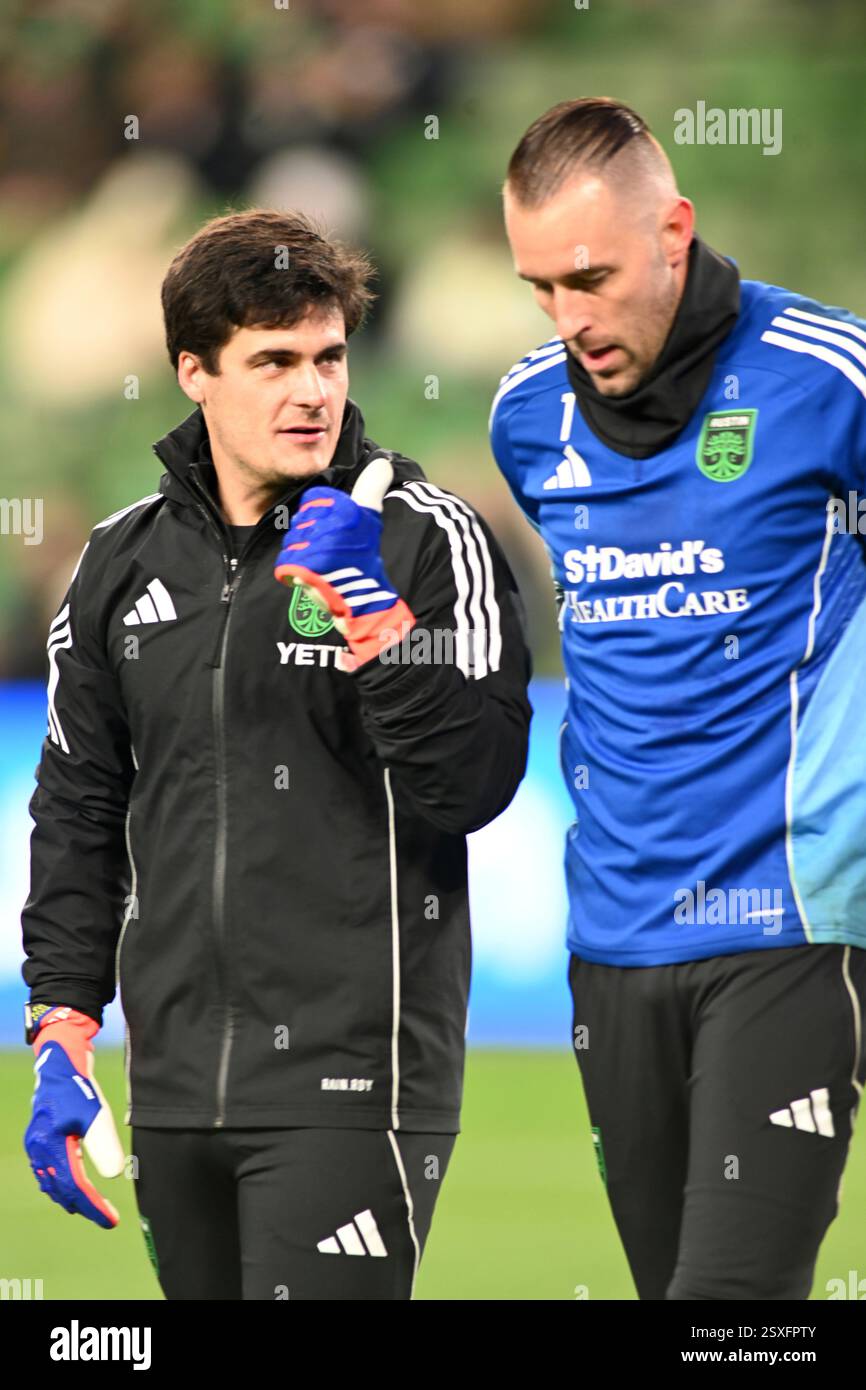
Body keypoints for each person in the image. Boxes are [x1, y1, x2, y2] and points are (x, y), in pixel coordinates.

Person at [21, 208, 532, 1301]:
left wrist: (373, 616)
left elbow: (474, 781)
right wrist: (61, 1023)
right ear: (193, 371)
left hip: (349, 1081)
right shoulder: (117, 562)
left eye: (328, 357)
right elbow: (77, 802)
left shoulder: (424, 536)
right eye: (273, 361)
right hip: (171, 1090)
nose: (312, 390)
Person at [490, 97, 866, 1301]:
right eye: (540, 287)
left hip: (787, 922)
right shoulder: (523, 417)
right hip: (610, 940)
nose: (568, 319)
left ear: (674, 232)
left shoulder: (827, 380)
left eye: (590, 278)